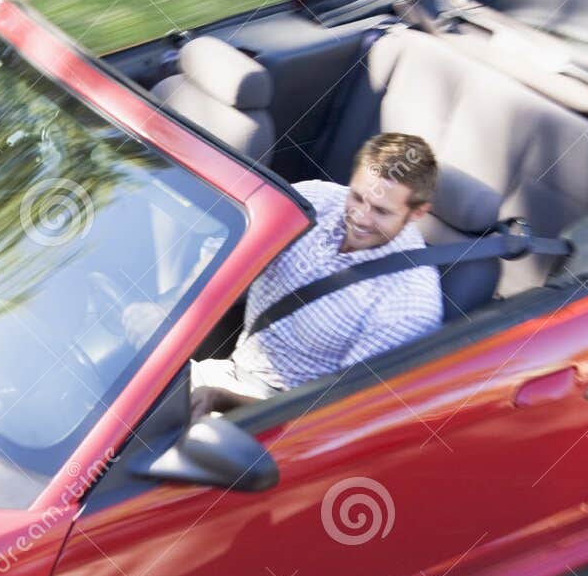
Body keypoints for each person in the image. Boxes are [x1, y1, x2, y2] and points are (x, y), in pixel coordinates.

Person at [179, 132, 446, 413]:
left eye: (381, 211)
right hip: (220, 374)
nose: (360, 217)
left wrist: (222, 399)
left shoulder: (409, 305)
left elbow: (337, 413)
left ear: (417, 213)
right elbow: (222, 253)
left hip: (272, 422)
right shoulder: (316, 200)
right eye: (357, 197)